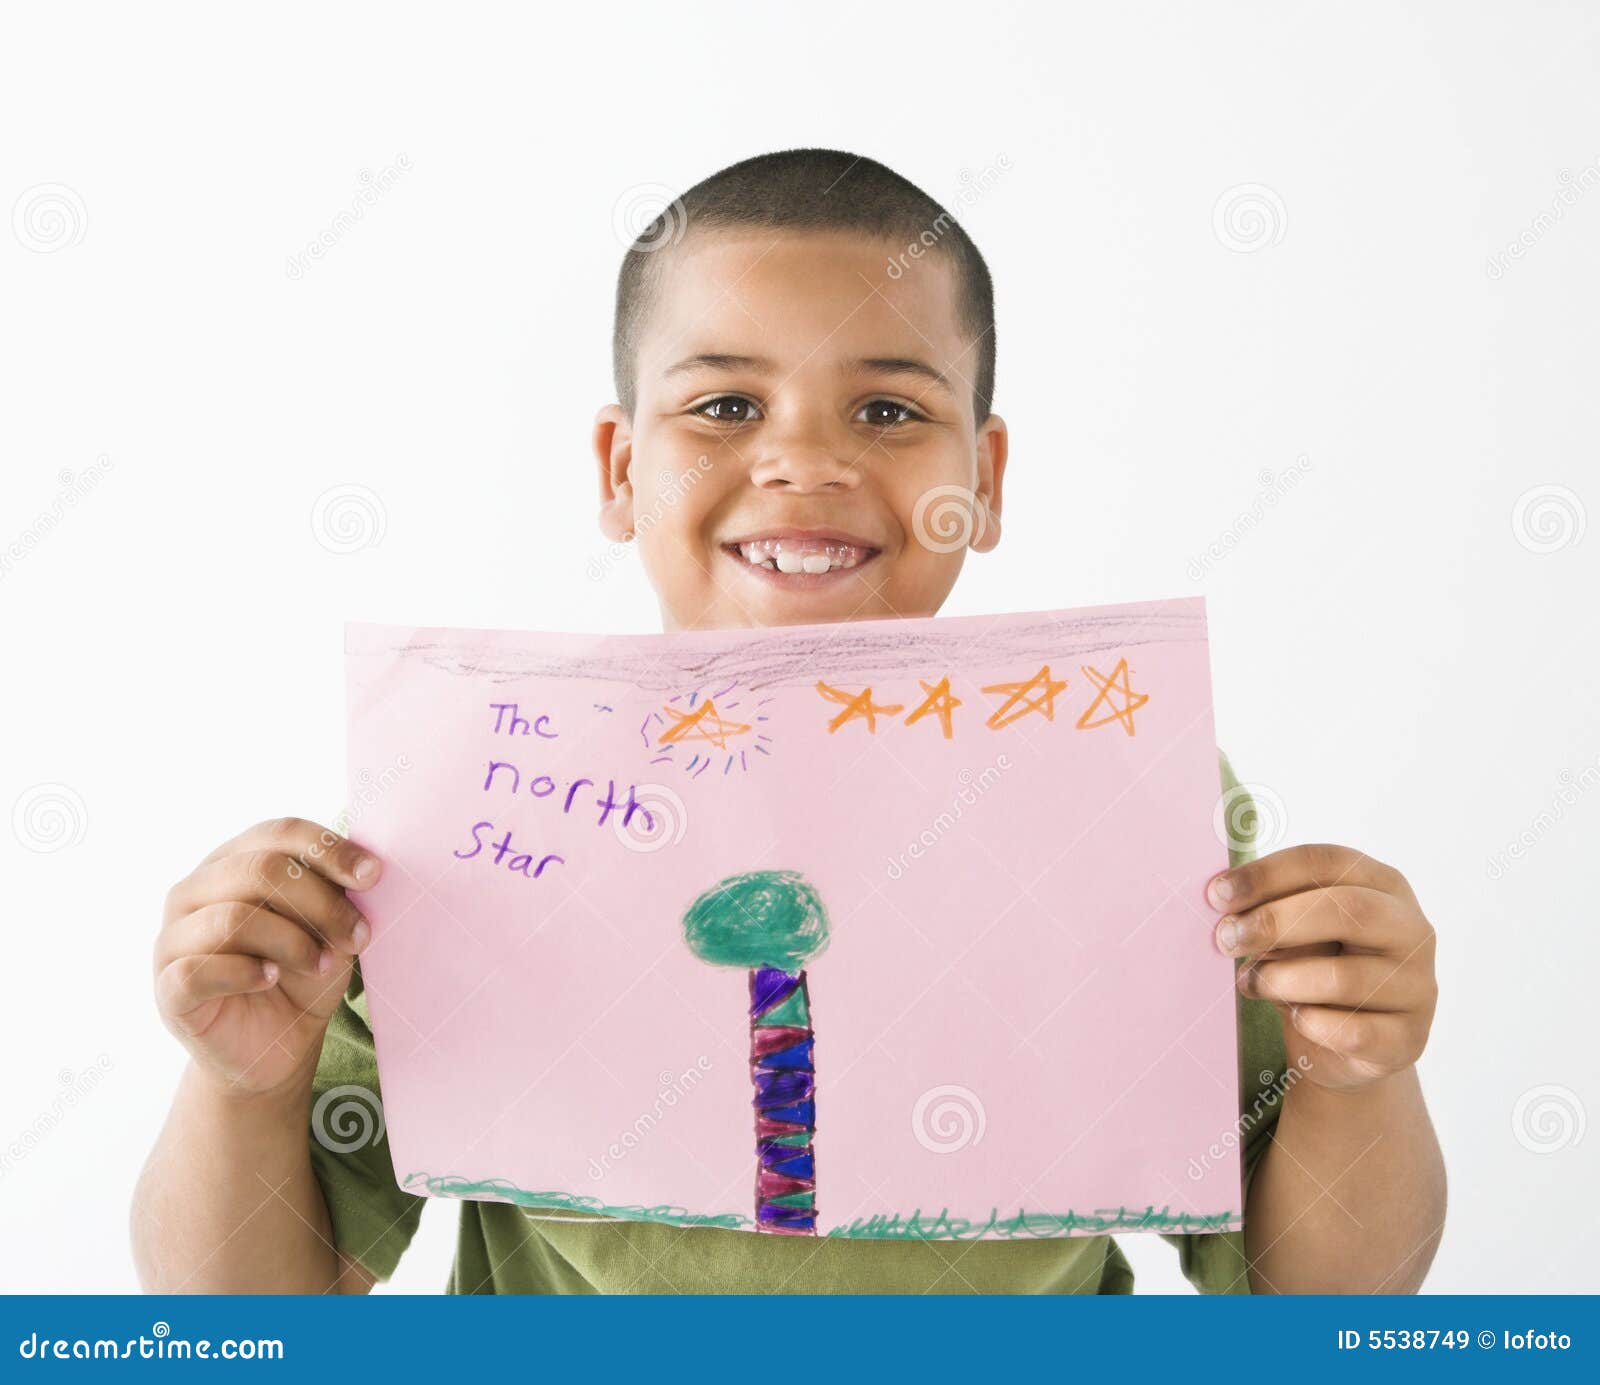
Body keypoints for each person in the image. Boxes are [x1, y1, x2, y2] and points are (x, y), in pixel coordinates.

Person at [133, 149, 1443, 1294]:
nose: (805, 463)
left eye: (888, 409)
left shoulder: (1129, 785)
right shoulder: (466, 806)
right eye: (723, 404)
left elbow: (1309, 1297)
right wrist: (244, 1086)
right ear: (620, 467)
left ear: (980, 480)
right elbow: (255, 1316)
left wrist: (1355, 1076)